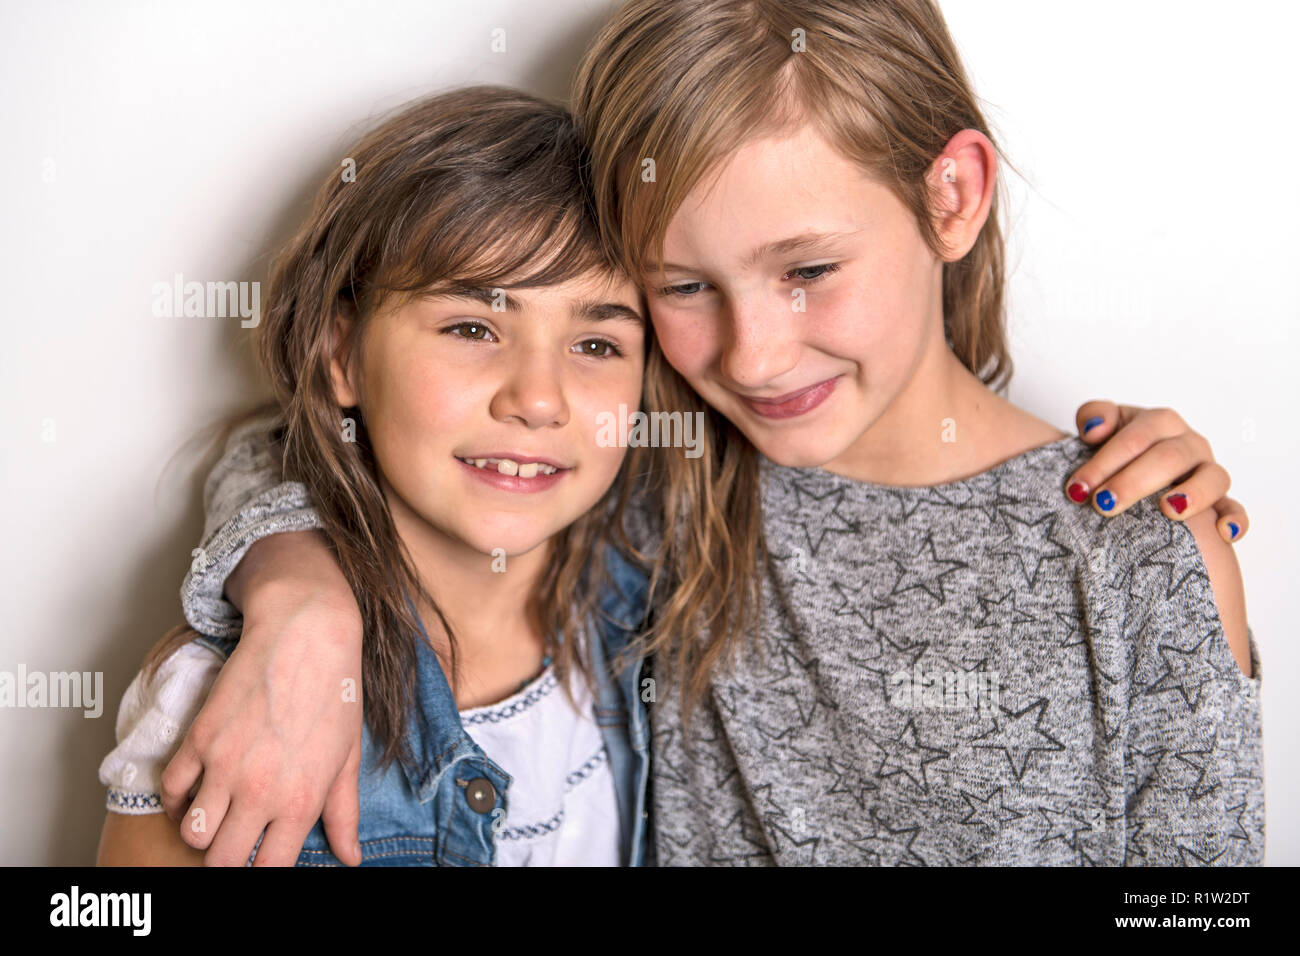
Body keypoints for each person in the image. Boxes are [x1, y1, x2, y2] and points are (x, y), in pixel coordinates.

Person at [143, 0, 1260, 866]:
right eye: (682, 285)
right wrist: (298, 592)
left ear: (952, 196)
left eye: (808, 268)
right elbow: (331, 436)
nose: (754, 357)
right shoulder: (668, 481)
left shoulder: (1137, 545)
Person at [97, 86, 657, 866]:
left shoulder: (663, 613)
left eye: (597, 346)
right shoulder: (234, 704)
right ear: (342, 355)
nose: (538, 399)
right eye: (472, 328)